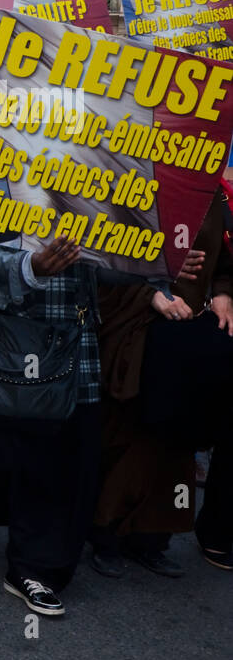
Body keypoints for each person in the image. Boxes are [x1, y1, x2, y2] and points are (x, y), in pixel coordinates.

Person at [0, 234, 101, 617]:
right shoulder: (4, 175)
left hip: (72, 338)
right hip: (12, 332)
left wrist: (157, 268)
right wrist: (30, 267)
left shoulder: (105, 175)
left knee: (61, 458)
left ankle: (33, 569)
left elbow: (117, 252)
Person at [90, 189, 233, 577]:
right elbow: (100, 256)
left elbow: (222, 262)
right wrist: (151, 294)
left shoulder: (213, 194)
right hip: (136, 329)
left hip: (190, 339)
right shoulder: (132, 179)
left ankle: (152, 537)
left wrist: (222, 294)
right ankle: (104, 532)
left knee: (177, 440)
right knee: (130, 430)